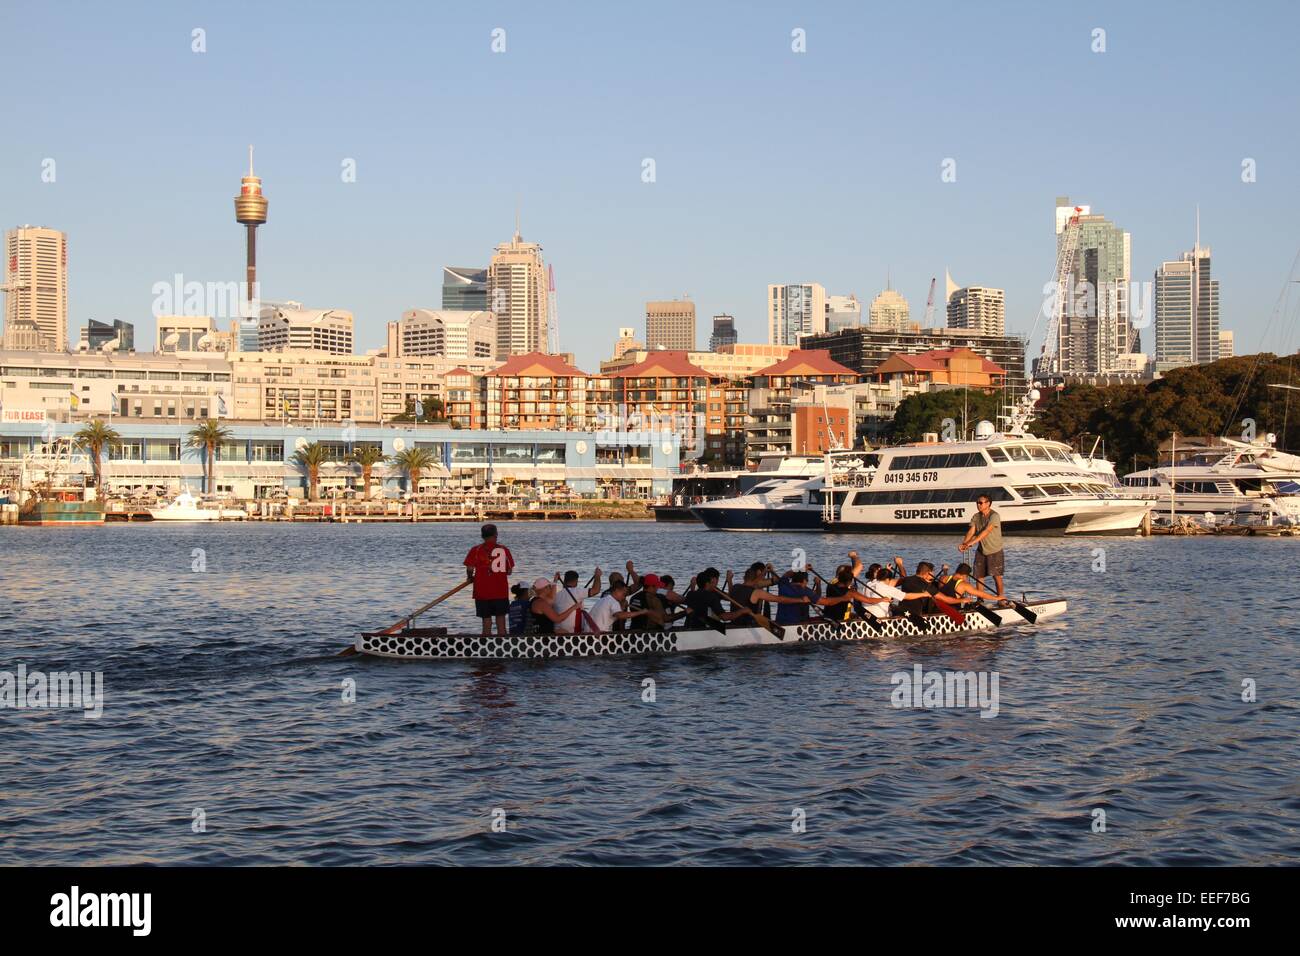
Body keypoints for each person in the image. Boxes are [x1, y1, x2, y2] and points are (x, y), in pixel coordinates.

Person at [463, 523, 514, 636]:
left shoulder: (475, 550)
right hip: (500, 592)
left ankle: (486, 648)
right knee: (501, 622)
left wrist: (470, 577)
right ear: (496, 535)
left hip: (482, 592)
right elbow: (509, 571)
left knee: (486, 622)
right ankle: (503, 648)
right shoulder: (504, 550)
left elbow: (470, 568)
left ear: (482, 536)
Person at [960, 494, 1005, 599]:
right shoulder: (976, 516)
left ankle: (1001, 598)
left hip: (995, 550)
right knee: (979, 576)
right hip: (981, 550)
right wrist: (964, 543)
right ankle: (980, 600)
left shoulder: (994, 516)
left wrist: (972, 543)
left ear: (988, 503)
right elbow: (971, 531)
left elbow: (986, 531)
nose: (978, 505)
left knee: (996, 576)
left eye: (981, 503)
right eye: (977, 503)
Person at [683, 568, 750, 630]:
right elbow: (724, 617)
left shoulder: (690, 594)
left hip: (689, 626)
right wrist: (742, 611)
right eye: (717, 579)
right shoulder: (712, 595)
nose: (717, 582)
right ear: (712, 580)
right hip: (705, 629)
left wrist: (692, 587)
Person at [553, 568, 601, 633]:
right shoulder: (577, 591)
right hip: (573, 634)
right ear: (576, 581)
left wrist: (555, 581)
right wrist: (597, 576)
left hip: (558, 631)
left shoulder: (556, 595)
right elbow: (596, 590)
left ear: (564, 581)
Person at [934, 563, 1005, 606]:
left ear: (957, 570)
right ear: (965, 575)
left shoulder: (943, 577)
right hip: (953, 608)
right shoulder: (964, 585)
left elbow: (946, 587)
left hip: (939, 604)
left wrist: (945, 571)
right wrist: (997, 598)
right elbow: (981, 594)